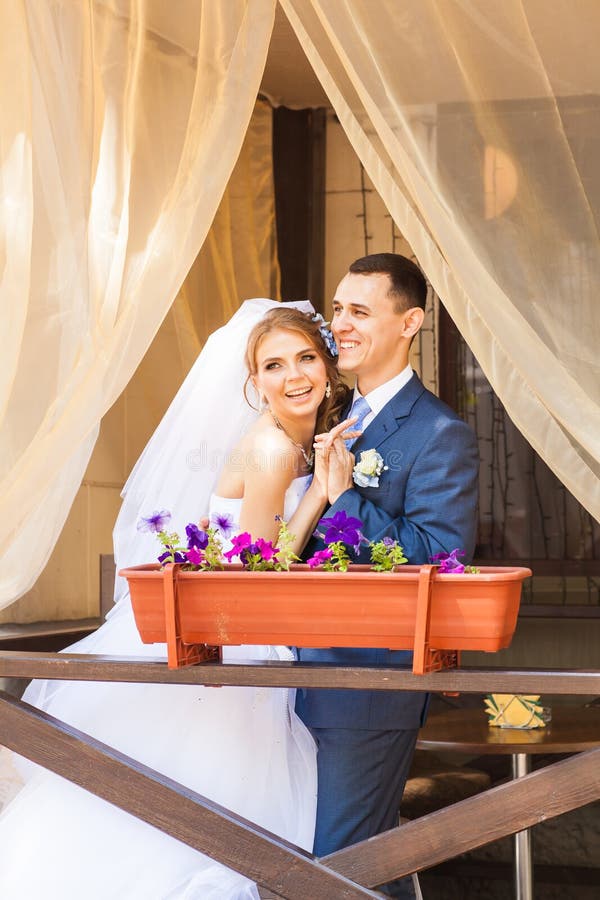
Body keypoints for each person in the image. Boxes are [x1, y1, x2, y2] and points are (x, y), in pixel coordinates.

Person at [0, 300, 352, 900]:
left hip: (243, 634)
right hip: (231, 642)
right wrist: (321, 493)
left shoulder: (300, 437)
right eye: (273, 366)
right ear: (254, 382)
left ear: (327, 366)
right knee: (200, 817)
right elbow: (260, 570)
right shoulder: (269, 449)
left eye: (305, 359)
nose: (293, 377)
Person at [296, 253, 479, 897]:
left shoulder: (438, 434)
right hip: (294, 673)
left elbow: (438, 556)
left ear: (410, 323)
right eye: (338, 309)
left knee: (342, 862)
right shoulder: (327, 412)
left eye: (360, 312)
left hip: (367, 684)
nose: (339, 325)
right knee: (361, 863)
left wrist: (345, 499)